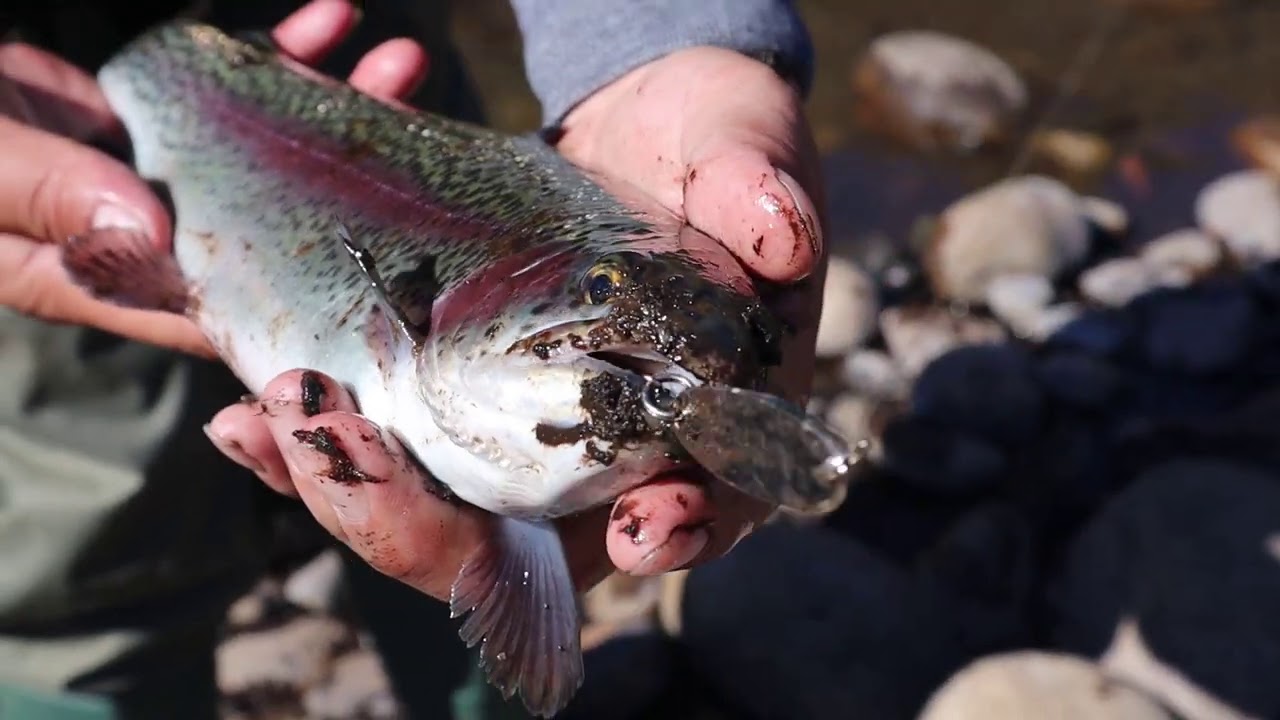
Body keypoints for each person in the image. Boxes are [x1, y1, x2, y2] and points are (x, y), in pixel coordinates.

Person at [0, 0, 825, 717]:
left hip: (350, 66)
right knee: (84, 562)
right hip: (70, 99)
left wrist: (670, 38)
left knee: (441, 575)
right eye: (608, 295)